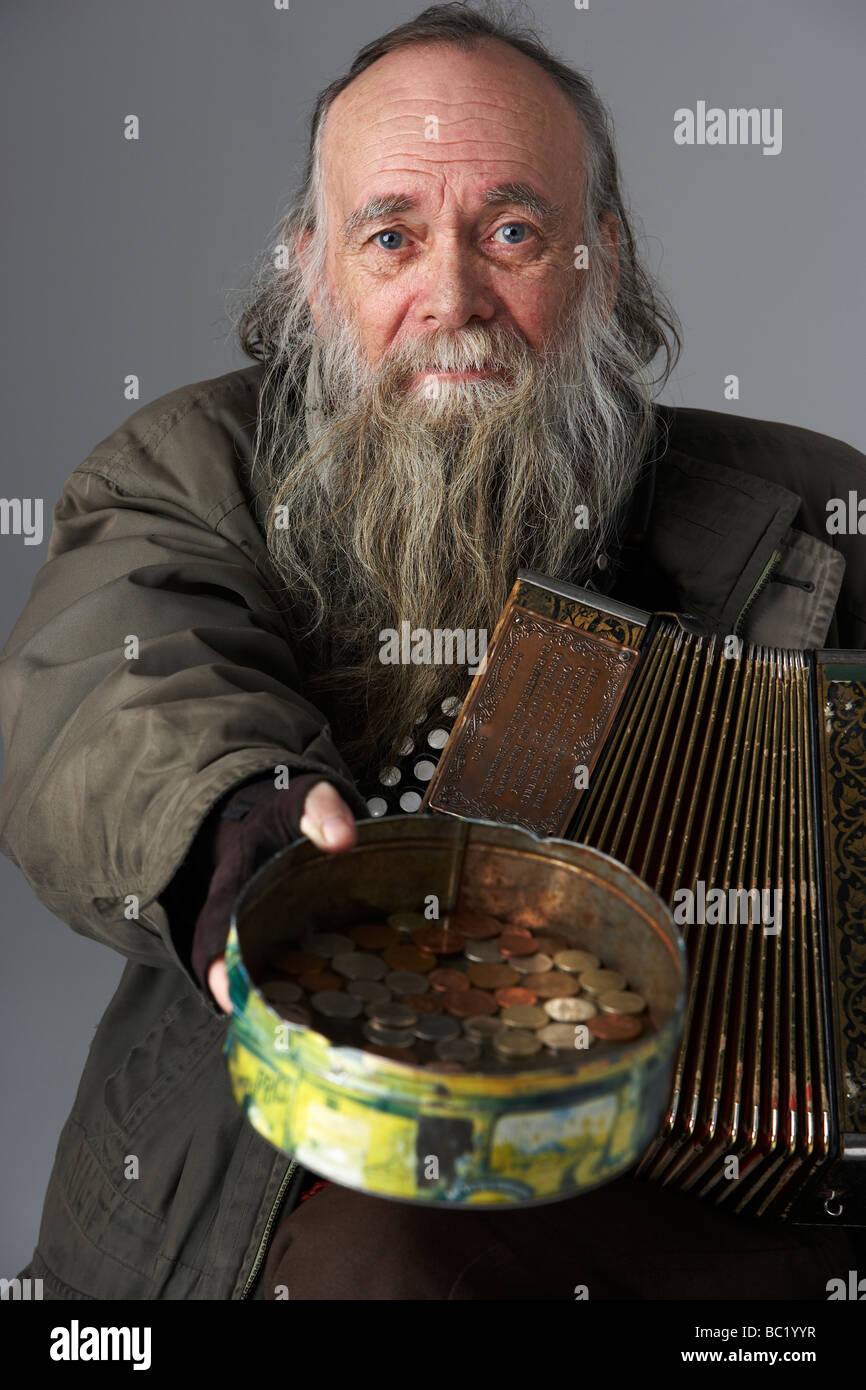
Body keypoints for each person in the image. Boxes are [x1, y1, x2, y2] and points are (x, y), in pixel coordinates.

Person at [1, 3, 864, 1301]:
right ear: (312, 269)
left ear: (601, 259)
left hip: (716, 1222)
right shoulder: (190, 469)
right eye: (391, 236)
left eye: (510, 231)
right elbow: (108, 684)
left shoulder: (816, 507)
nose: (450, 296)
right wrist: (251, 845)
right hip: (321, 1194)